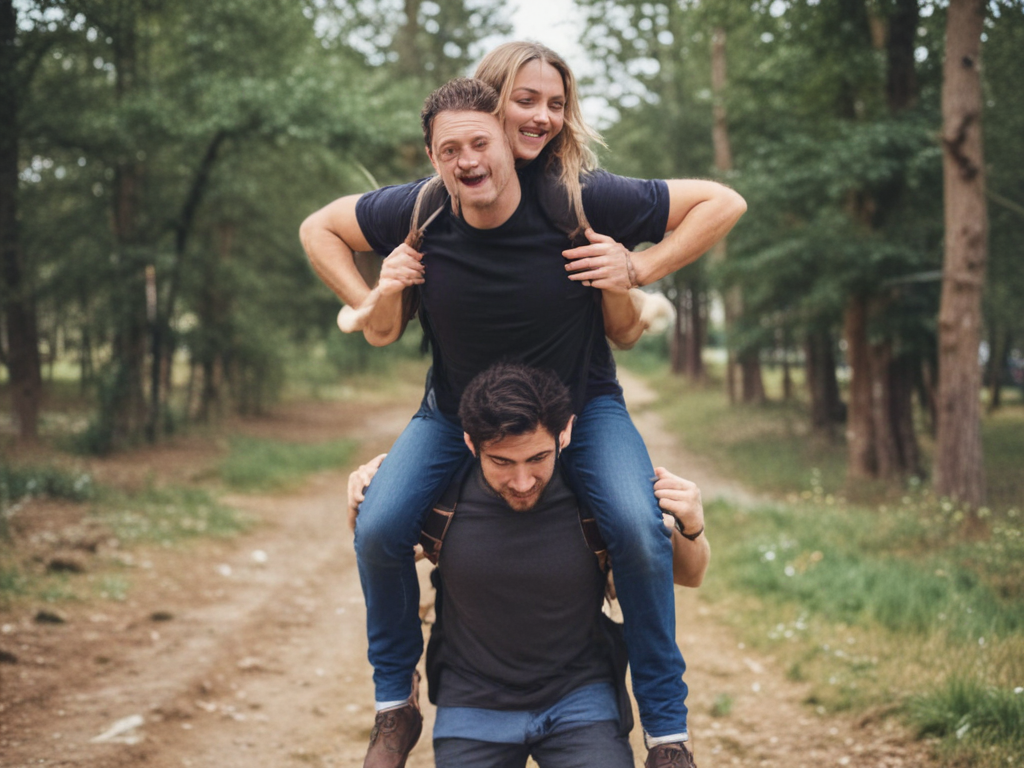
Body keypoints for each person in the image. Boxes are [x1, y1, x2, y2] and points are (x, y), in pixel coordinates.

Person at [299, 72, 744, 766]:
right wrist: (369, 294)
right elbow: (318, 226)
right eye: (451, 151)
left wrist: (640, 266)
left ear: (508, 140)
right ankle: (395, 706)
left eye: (482, 143)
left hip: (582, 406)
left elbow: (723, 201)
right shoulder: (423, 208)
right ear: (433, 156)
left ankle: (666, 732)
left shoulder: (577, 196)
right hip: (454, 413)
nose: (468, 161)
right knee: (381, 524)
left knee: (633, 526)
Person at [348, 363, 710, 768]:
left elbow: (688, 574)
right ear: (470, 443)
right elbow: (378, 547)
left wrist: (692, 528)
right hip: (472, 706)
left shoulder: (598, 495)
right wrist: (366, 502)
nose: (522, 482)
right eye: (502, 462)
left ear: (566, 433)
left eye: (537, 457)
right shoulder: (442, 499)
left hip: (582, 700)